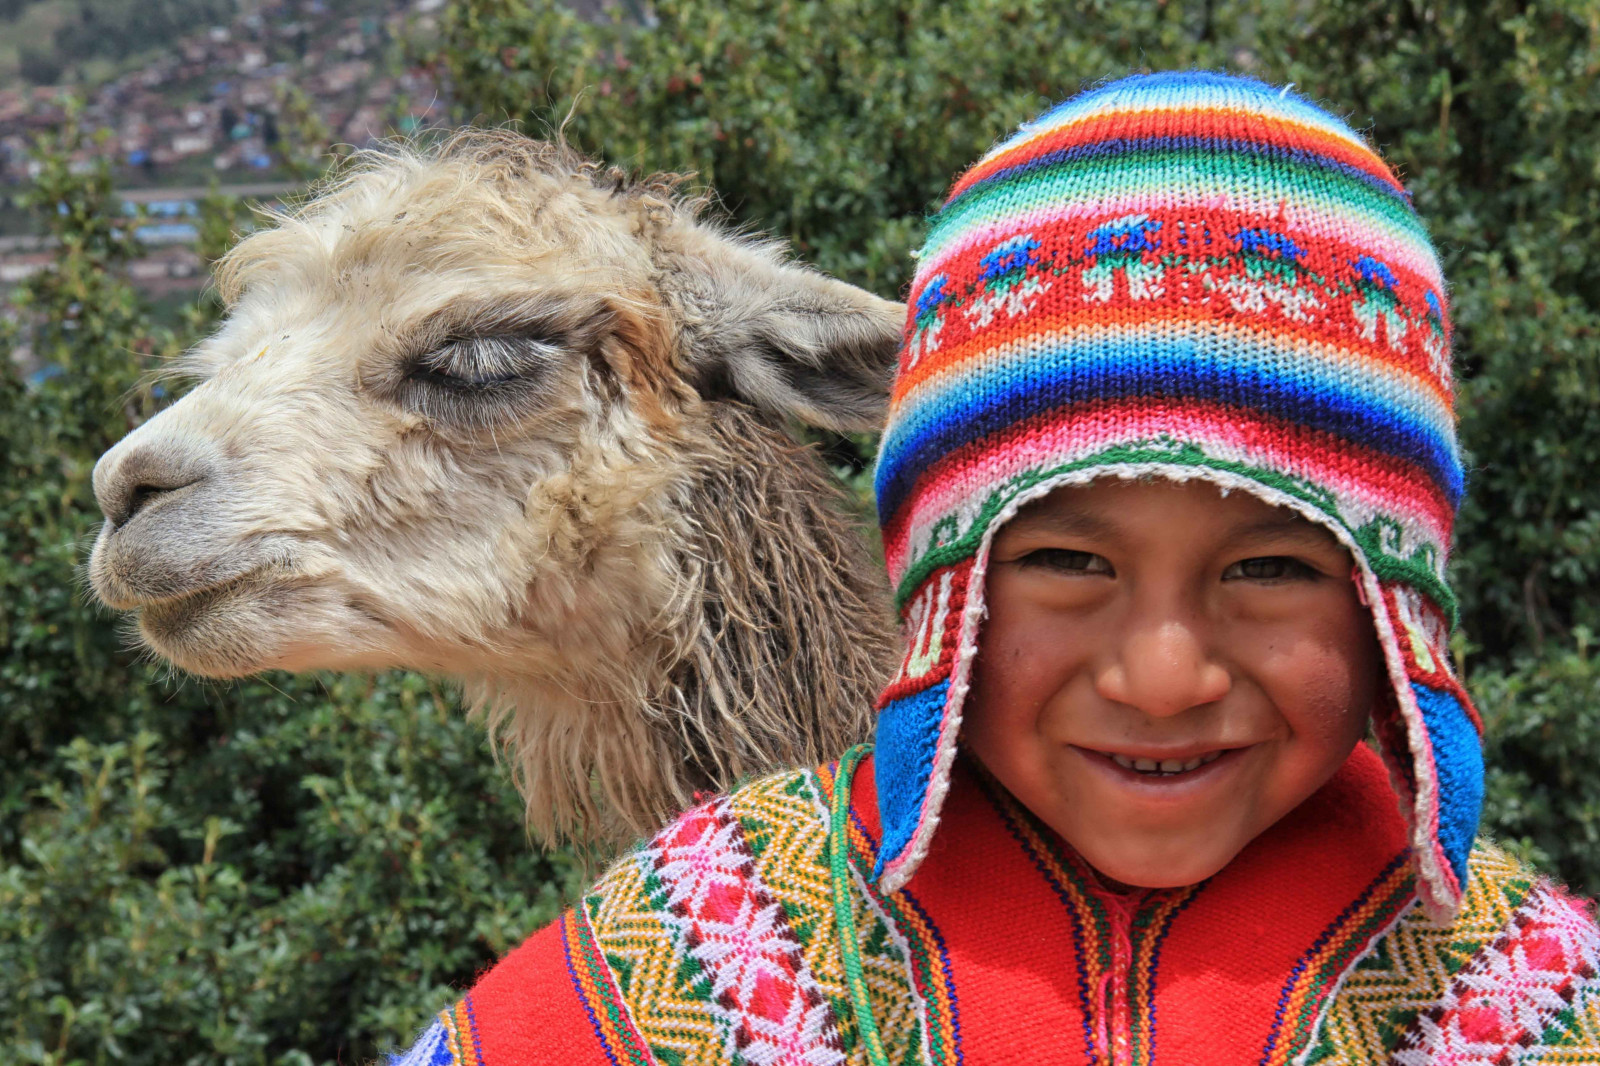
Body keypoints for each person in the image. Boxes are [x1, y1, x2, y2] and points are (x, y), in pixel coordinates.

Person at [391, 71, 1600, 1065]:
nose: (1161, 674)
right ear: (943, 580)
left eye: (1270, 567)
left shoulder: (1510, 1001)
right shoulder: (730, 940)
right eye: (1068, 557)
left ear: (1390, 598)